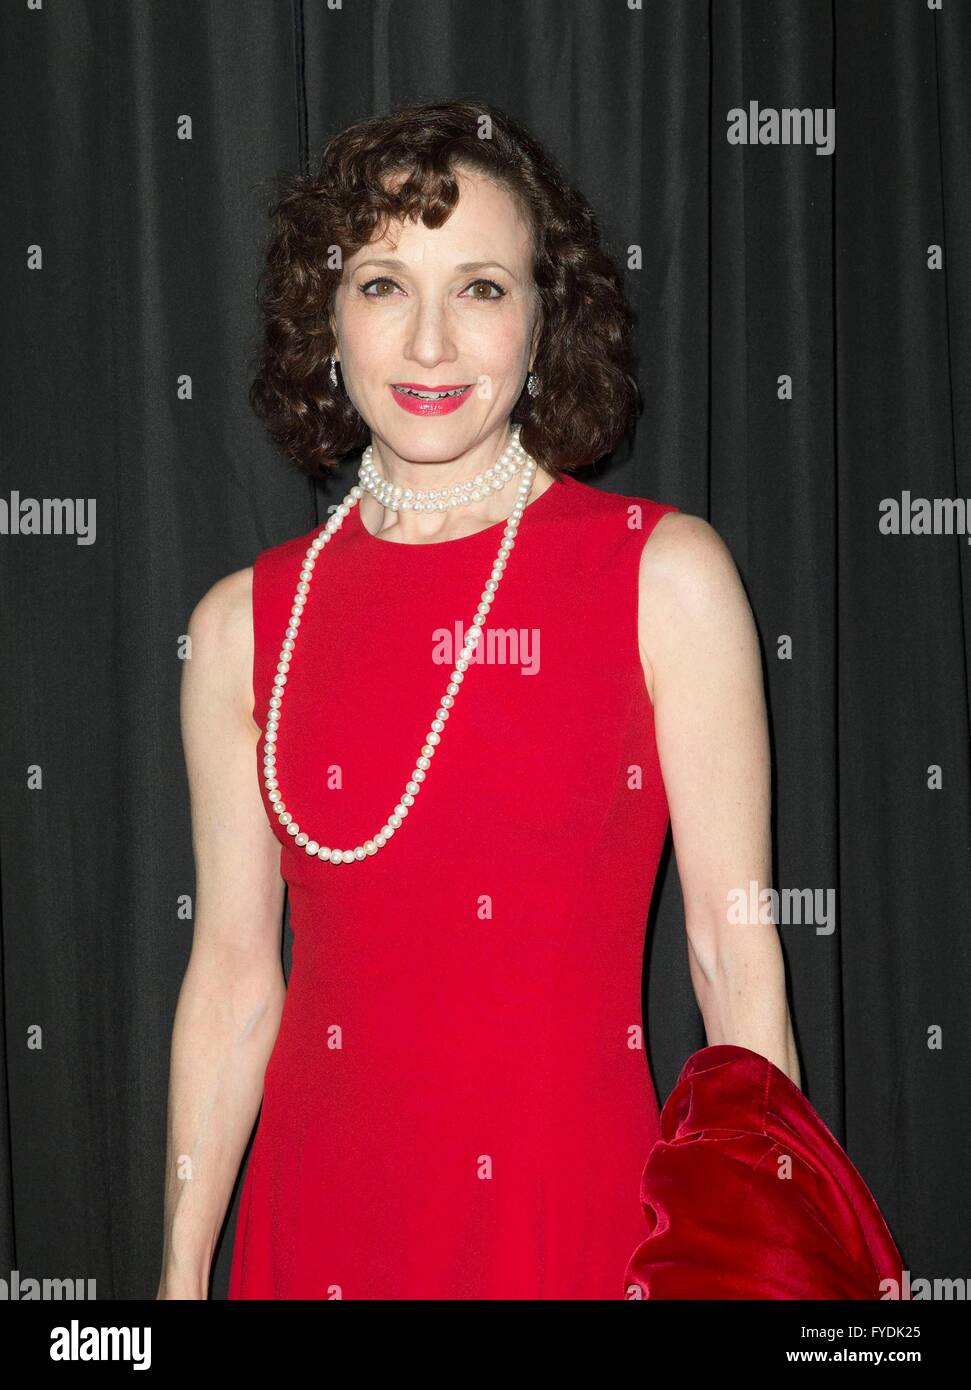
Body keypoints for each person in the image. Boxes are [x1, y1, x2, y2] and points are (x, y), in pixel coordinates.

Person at [156, 99, 798, 1301]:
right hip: (321, 1215)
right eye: (386, 284)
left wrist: (769, 1250)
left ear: (544, 319)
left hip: (573, 1211)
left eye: (483, 288)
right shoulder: (242, 625)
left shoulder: (664, 576)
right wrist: (182, 1271)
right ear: (326, 319)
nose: (433, 344)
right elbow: (236, 980)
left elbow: (733, 956)